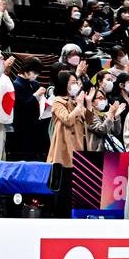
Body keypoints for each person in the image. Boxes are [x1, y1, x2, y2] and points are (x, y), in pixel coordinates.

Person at [47, 69, 88, 218]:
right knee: (62, 187)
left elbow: (88, 121)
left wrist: (86, 103)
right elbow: (68, 120)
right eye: (72, 82)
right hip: (63, 150)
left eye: (77, 82)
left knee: (74, 188)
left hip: (78, 147)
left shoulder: (75, 101)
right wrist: (78, 106)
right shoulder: (58, 101)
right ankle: (59, 216)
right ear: (64, 84)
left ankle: (70, 216)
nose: (76, 85)